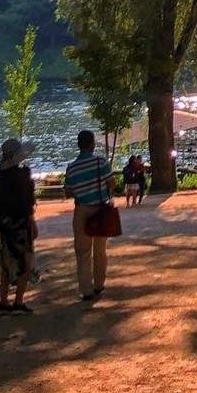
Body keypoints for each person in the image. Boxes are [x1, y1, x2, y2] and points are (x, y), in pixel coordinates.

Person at [63, 129, 114, 302]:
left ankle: (86, 290)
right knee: (100, 250)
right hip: (100, 208)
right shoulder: (101, 162)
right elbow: (111, 183)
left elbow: (68, 192)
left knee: (83, 251)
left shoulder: (72, 168)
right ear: (92, 144)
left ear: (79, 145)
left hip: (82, 210)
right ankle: (99, 284)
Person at [0, 139, 37, 314]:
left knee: (6, 264)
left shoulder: (1, 178)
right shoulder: (23, 175)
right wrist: (32, 222)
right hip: (21, 226)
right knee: (25, 263)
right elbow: (28, 203)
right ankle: (18, 301)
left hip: (5, 227)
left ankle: (3, 302)